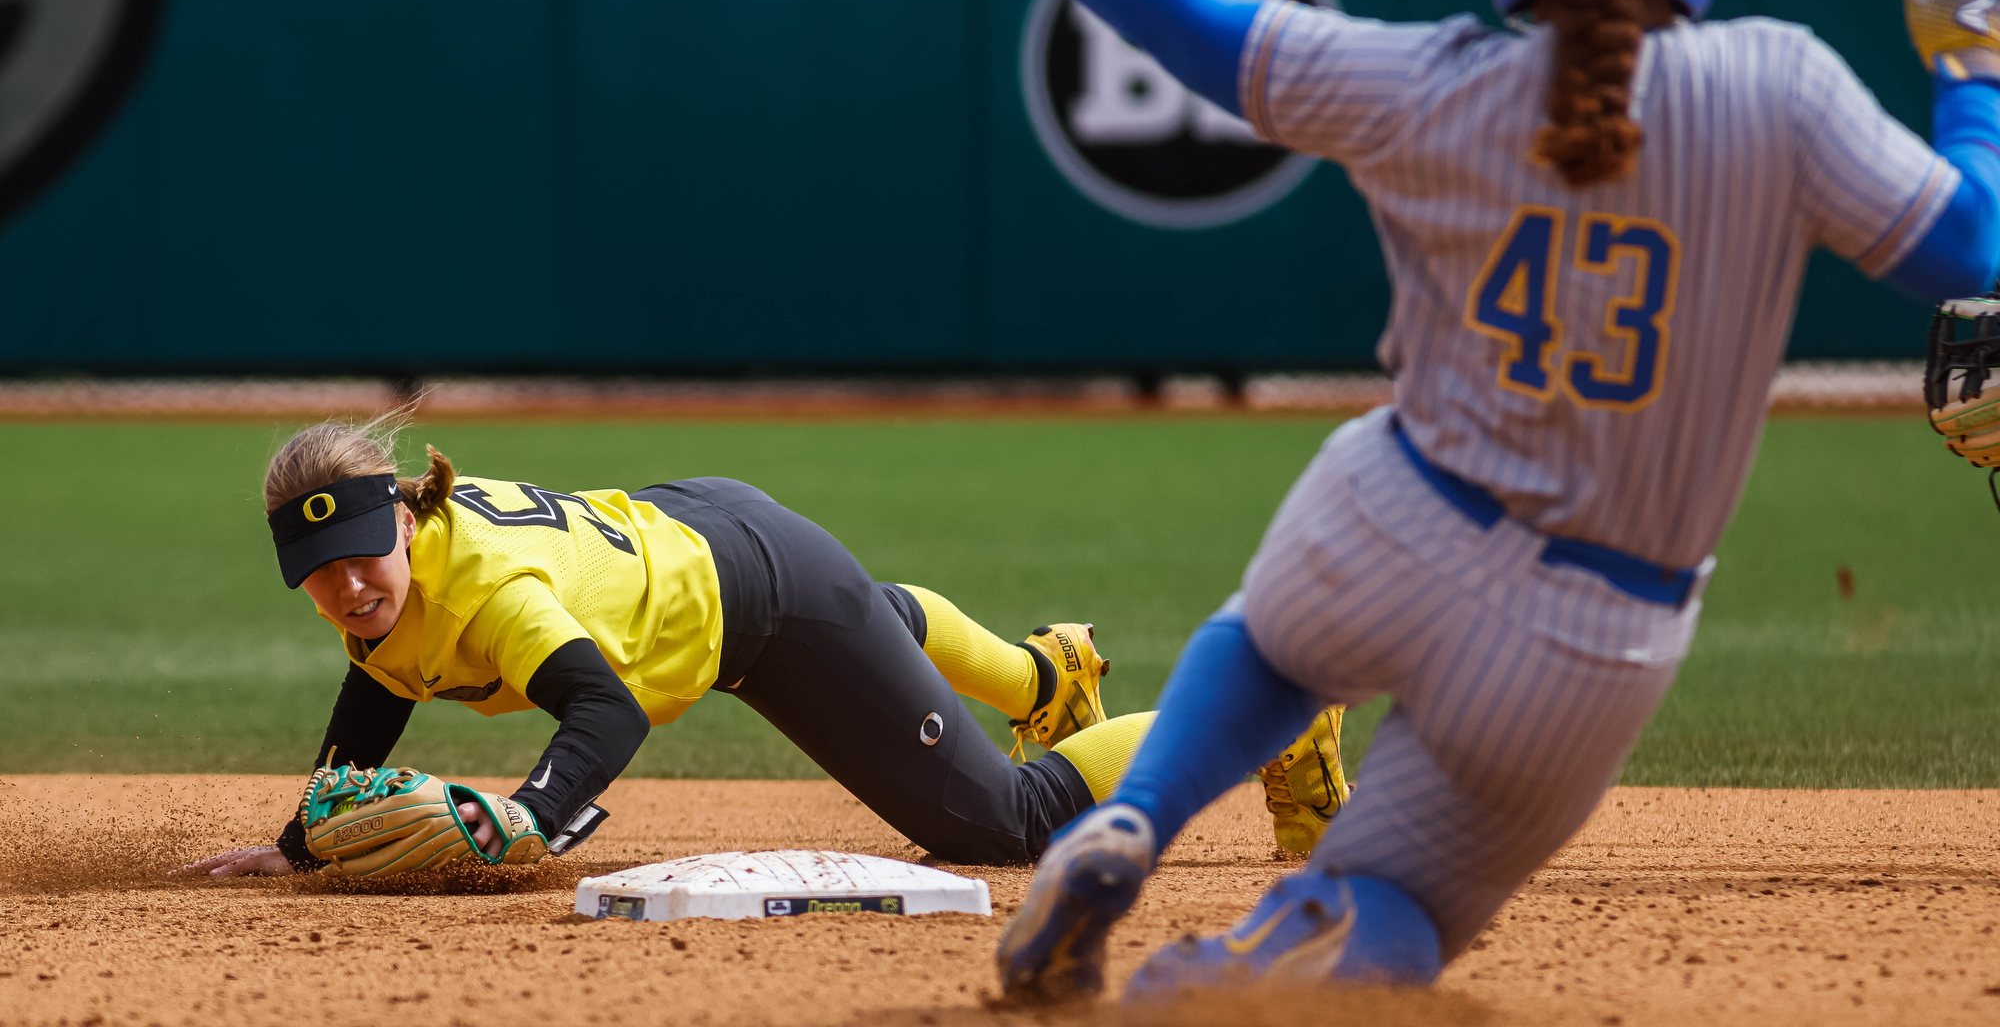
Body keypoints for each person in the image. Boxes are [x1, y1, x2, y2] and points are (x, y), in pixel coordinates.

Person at [854, 0, 2000, 998]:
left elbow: (1185, 23)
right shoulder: (1780, 87)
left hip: (1397, 514)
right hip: (1596, 622)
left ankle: (1131, 817)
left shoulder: (1428, 81)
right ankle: (1263, 956)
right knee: (1397, 895)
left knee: (1274, 652)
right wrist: (1971, 63)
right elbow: (1969, 245)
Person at [178, 415, 1345, 877]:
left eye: (358, 558)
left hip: (762, 601)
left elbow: (607, 713)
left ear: (400, 520)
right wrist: (300, 841)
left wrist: (534, 815)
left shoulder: (493, 592)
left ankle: (1278, 712)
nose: (343, 587)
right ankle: (1044, 675)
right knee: (872, 631)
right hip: (697, 521)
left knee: (1000, 827)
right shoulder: (387, 578)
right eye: (315, 576)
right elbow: (375, 689)